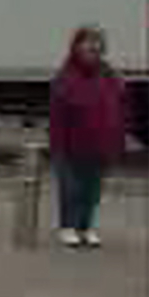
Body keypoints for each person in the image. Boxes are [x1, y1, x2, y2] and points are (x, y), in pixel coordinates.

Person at [49, 25, 126, 249]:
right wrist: (58, 148)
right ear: (76, 46)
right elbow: (57, 115)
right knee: (71, 188)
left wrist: (119, 139)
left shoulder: (109, 75)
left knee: (93, 190)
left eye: (97, 41)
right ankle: (68, 227)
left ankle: (86, 227)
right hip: (71, 144)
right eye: (87, 41)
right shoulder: (66, 76)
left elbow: (119, 108)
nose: (93, 46)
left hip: (101, 143)